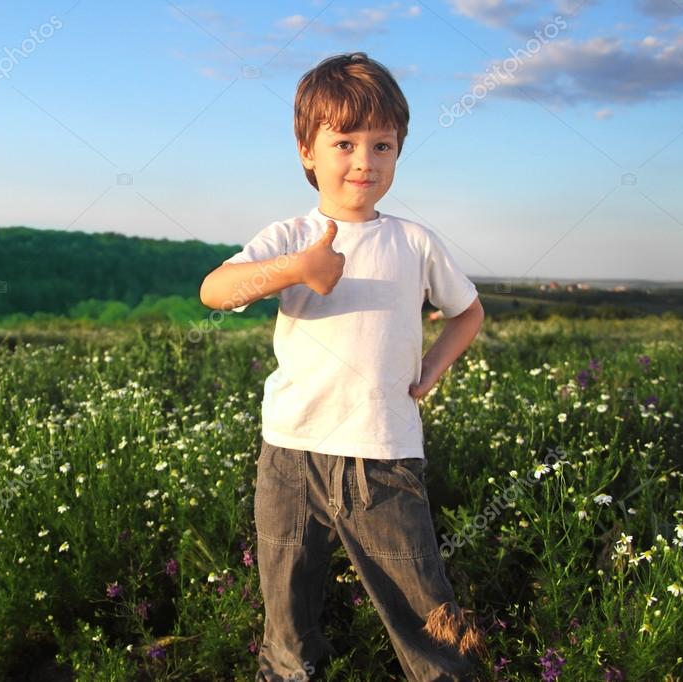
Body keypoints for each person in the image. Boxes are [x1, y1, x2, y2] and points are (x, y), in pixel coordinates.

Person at [199, 52, 488, 681]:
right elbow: (216, 290)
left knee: (425, 613)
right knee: (287, 612)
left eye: (382, 144)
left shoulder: (415, 241)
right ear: (307, 150)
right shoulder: (292, 234)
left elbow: (467, 313)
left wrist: (432, 369)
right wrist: (298, 269)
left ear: (398, 152)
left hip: (381, 458)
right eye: (345, 142)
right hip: (289, 457)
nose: (365, 160)